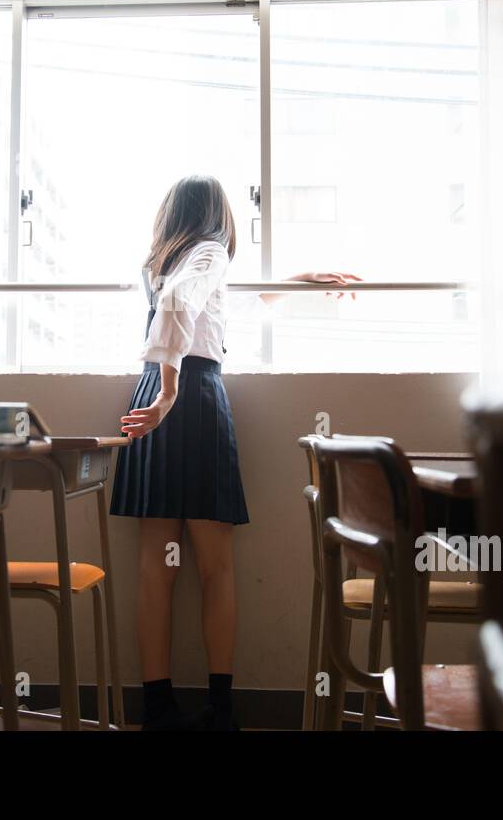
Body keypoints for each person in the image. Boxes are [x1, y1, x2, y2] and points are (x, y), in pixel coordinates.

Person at [110, 174, 358, 730]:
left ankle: (157, 709)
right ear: (217, 216)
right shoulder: (209, 251)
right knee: (216, 567)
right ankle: (221, 711)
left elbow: (209, 306)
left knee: (157, 566)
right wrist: (173, 394)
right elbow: (185, 303)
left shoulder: (160, 264)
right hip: (188, 398)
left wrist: (300, 281)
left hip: (154, 391)